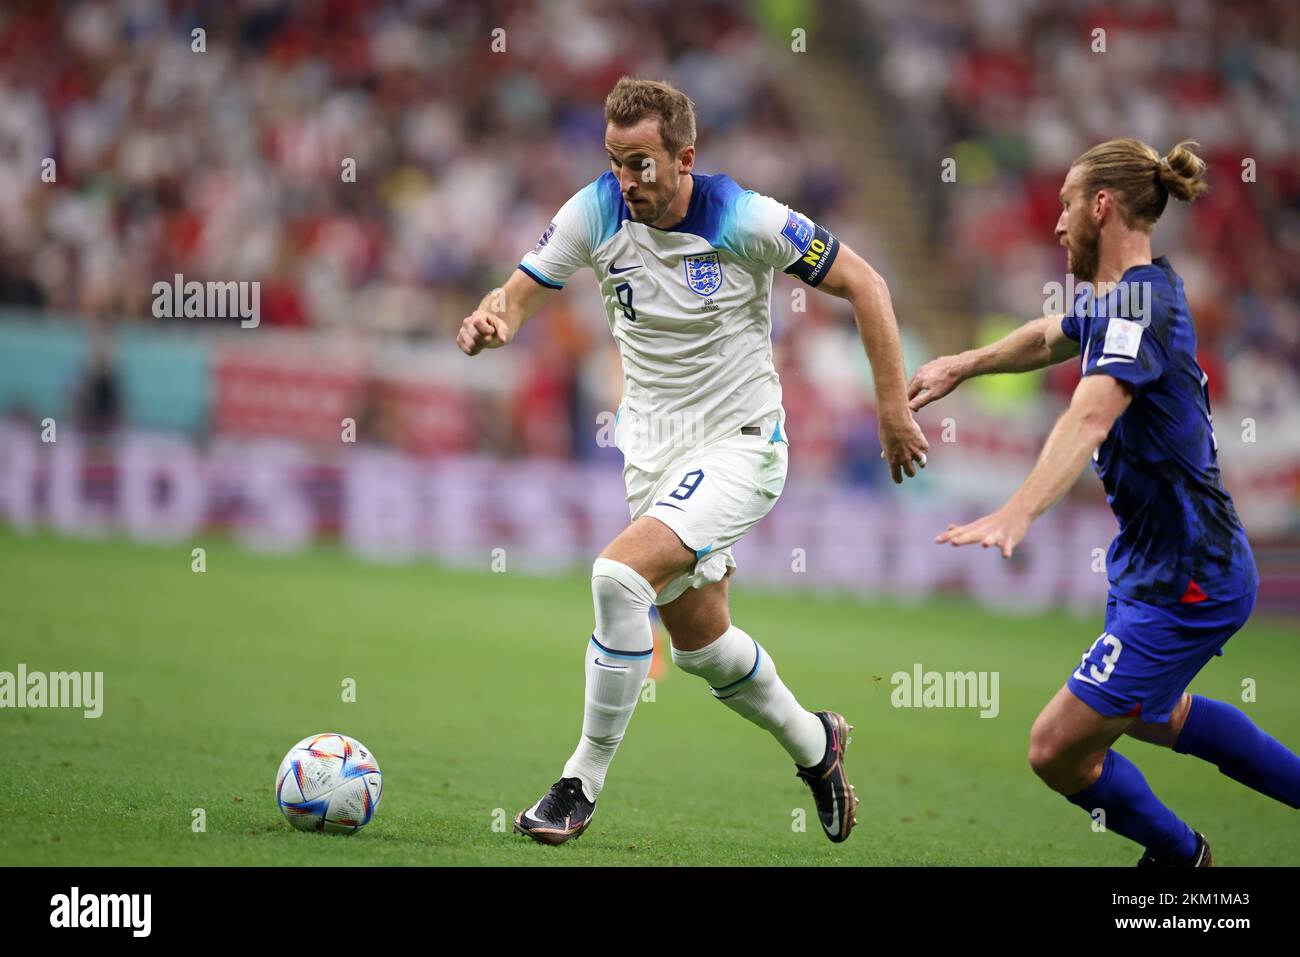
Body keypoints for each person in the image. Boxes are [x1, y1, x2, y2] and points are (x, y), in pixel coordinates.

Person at [457, 76, 928, 845]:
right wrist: (493, 318)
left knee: (616, 577)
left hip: (741, 444)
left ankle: (579, 782)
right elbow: (516, 294)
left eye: (641, 163)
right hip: (653, 456)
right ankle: (818, 744)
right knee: (705, 647)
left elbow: (866, 284)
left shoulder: (746, 217)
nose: (626, 180)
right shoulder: (595, 210)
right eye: (615, 160)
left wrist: (891, 407)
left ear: (685, 157)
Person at [909, 139, 1300, 865]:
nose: (1056, 224)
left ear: (1101, 206)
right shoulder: (1121, 300)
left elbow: (1092, 415)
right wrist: (965, 363)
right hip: (1156, 565)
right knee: (1155, 718)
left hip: (1193, 572)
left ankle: (1183, 856)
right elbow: (1047, 336)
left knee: (1055, 748)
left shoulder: (1142, 305)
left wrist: (1016, 510)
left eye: (1065, 204)